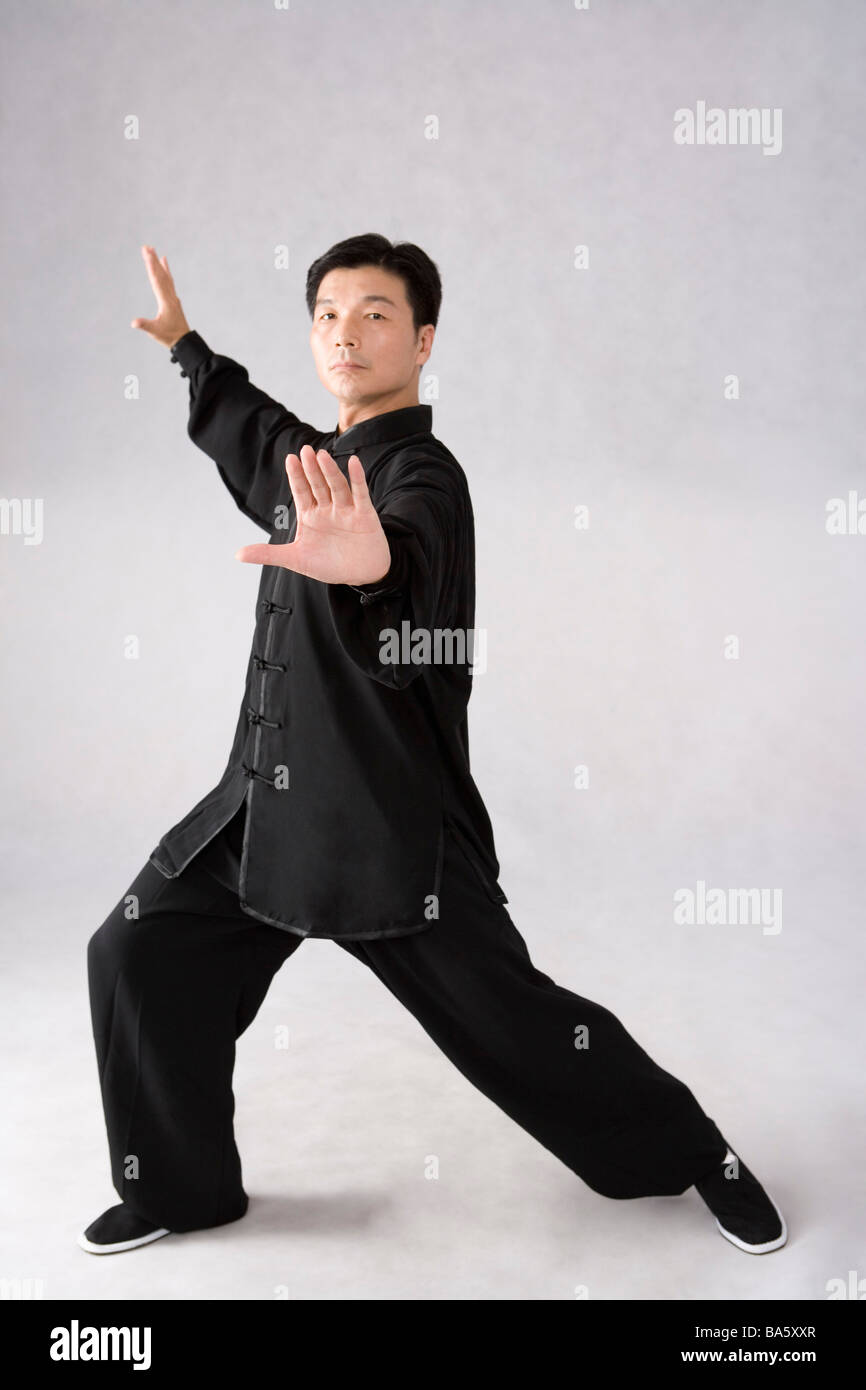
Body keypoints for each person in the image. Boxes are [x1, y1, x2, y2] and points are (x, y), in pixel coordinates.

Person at [79, 234, 786, 1259]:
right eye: (327, 313)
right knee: (138, 948)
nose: (345, 332)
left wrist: (371, 567)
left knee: (520, 1028)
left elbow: (415, 601)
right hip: (261, 809)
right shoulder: (312, 464)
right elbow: (250, 430)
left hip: (386, 825)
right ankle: (178, 1188)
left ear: (421, 340)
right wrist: (188, 347)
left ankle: (691, 1152)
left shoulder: (422, 475)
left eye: (373, 314)